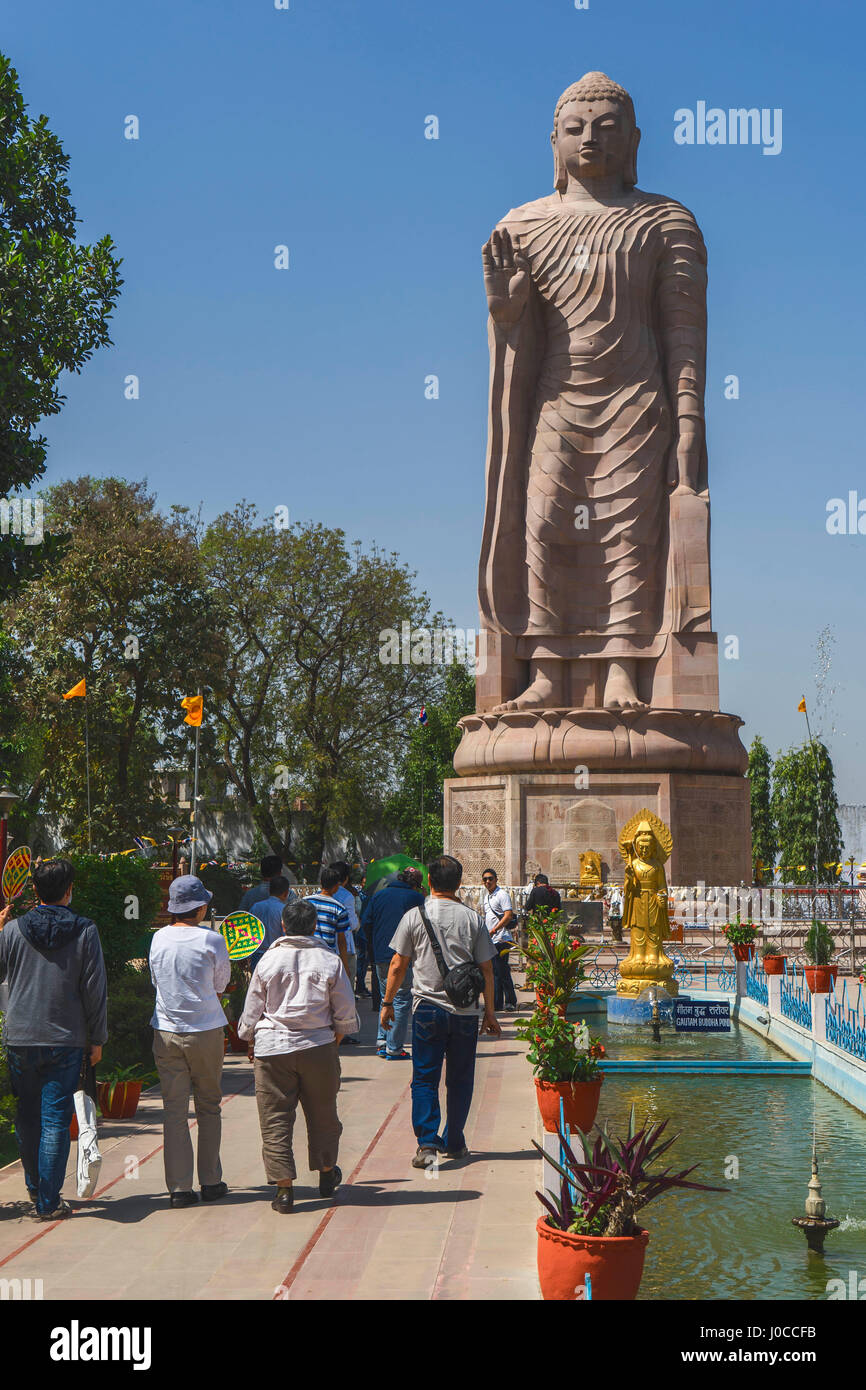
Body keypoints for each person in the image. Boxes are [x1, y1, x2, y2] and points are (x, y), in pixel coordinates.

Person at [0, 858, 107, 1220]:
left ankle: (34, 1187)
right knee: (55, 1120)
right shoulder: (85, 930)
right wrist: (98, 1038)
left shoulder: (13, 931)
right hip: (66, 1039)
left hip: (20, 1037)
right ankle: (47, 1200)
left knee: (27, 1116)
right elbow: (95, 990)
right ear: (69, 890)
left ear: (34, 891)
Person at [381, 855, 501, 1169]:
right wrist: (489, 1012)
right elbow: (487, 970)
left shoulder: (414, 916)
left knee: (424, 1079)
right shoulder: (473, 918)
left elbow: (397, 965)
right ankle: (456, 1139)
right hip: (464, 1012)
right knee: (460, 1079)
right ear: (458, 883)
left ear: (430, 882)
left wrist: (387, 1002)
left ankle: (428, 1144)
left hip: (427, 1010)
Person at [238, 899, 357, 1213]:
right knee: (323, 1114)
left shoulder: (267, 961)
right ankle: (327, 1173)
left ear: (283, 925)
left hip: (273, 1049)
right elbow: (345, 1010)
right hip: (318, 1046)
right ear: (315, 925)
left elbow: (252, 1010)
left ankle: (284, 1190)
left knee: (275, 1119)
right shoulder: (330, 960)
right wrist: (335, 1038)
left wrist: (249, 1038)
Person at [149, 874, 231, 1209]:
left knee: (174, 1111)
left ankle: (180, 1188)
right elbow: (221, 984)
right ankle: (210, 1181)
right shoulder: (212, 940)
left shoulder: (158, 939)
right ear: (200, 907)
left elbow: (156, 981)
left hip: (166, 1031)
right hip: (207, 1030)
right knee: (209, 1106)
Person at [359, 868, 424, 1060]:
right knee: (402, 999)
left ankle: (382, 1042)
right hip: (403, 956)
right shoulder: (415, 898)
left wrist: (374, 944)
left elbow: (366, 922)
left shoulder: (379, 895)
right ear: (416, 884)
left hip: (380, 954)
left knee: (385, 997)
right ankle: (394, 1047)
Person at [329, 862, 361, 1039]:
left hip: (325, 947)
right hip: (345, 949)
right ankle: (344, 1032)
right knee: (345, 991)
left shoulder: (316, 897)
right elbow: (352, 924)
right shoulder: (347, 896)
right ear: (346, 878)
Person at [481, 868, 518, 1011]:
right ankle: (496, 1003)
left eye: (490, 878)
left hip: (501, 938)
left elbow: (508, 915)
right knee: (493, 972)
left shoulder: (502, 894)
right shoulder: (487, 897)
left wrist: (495, 929)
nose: (488, 881)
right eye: (485, 879)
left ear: (496, 879)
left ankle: (510, 1001)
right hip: (491, 939)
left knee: (502, 971)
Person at [248, 875, 296, 971]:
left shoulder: (255, 907)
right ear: (286, 893)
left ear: (269, 891)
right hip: (277, 956)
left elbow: (248, 931)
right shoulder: (284, 910)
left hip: (257, 956)